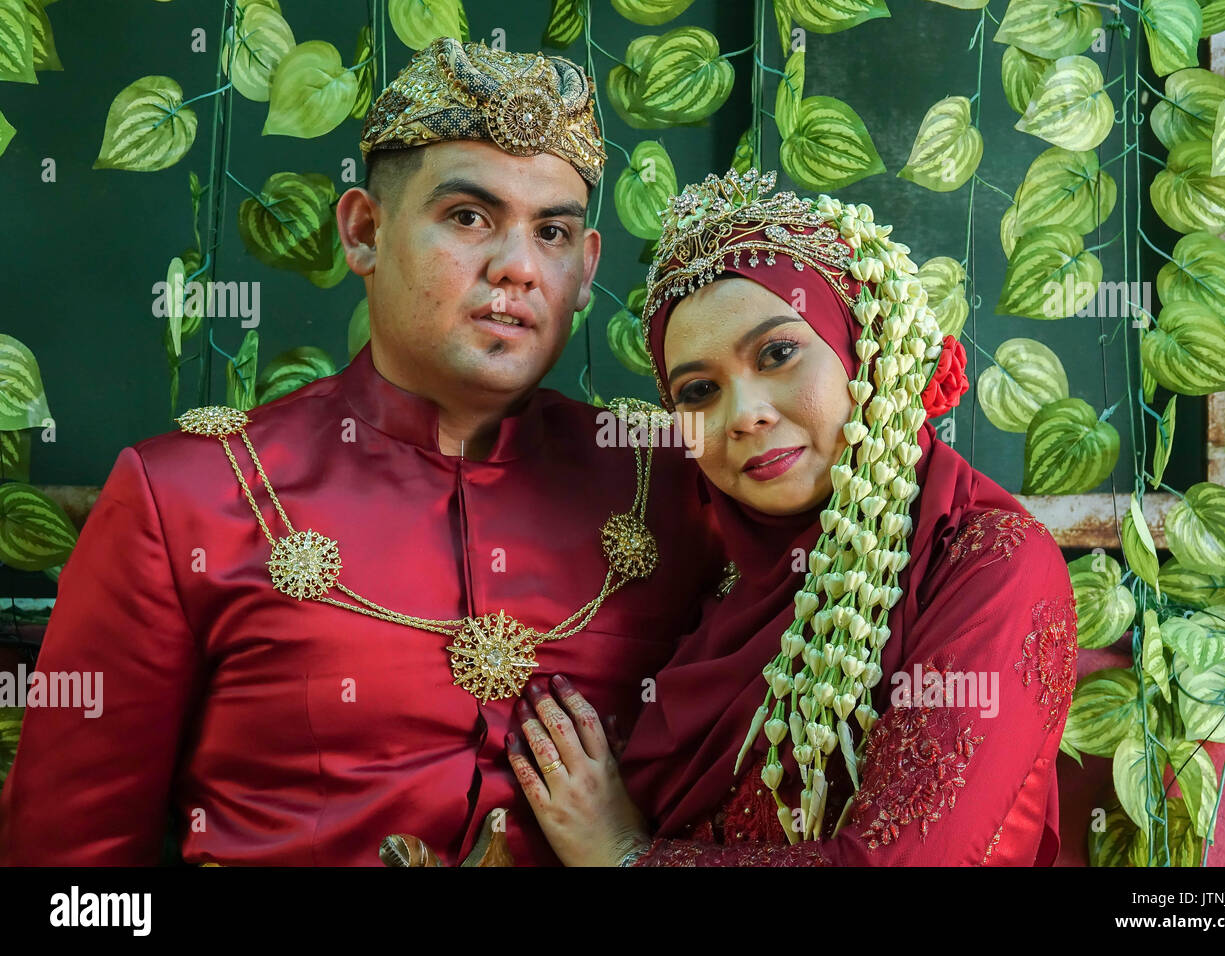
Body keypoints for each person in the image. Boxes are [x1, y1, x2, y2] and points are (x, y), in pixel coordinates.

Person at [0, 38, 723, 866]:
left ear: (587, 270)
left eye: (552, 232)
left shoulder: (668, 483)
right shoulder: (189, 498)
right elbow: (67, 876)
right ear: (364, 231)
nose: (518, 267)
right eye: (468, 217)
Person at [507, 168, 1079, 866]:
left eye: (778, 353)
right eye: (699, 391)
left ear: (862, 350)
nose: (743, 414)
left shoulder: (988, 562)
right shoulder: (716, 583)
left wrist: (626, 856)